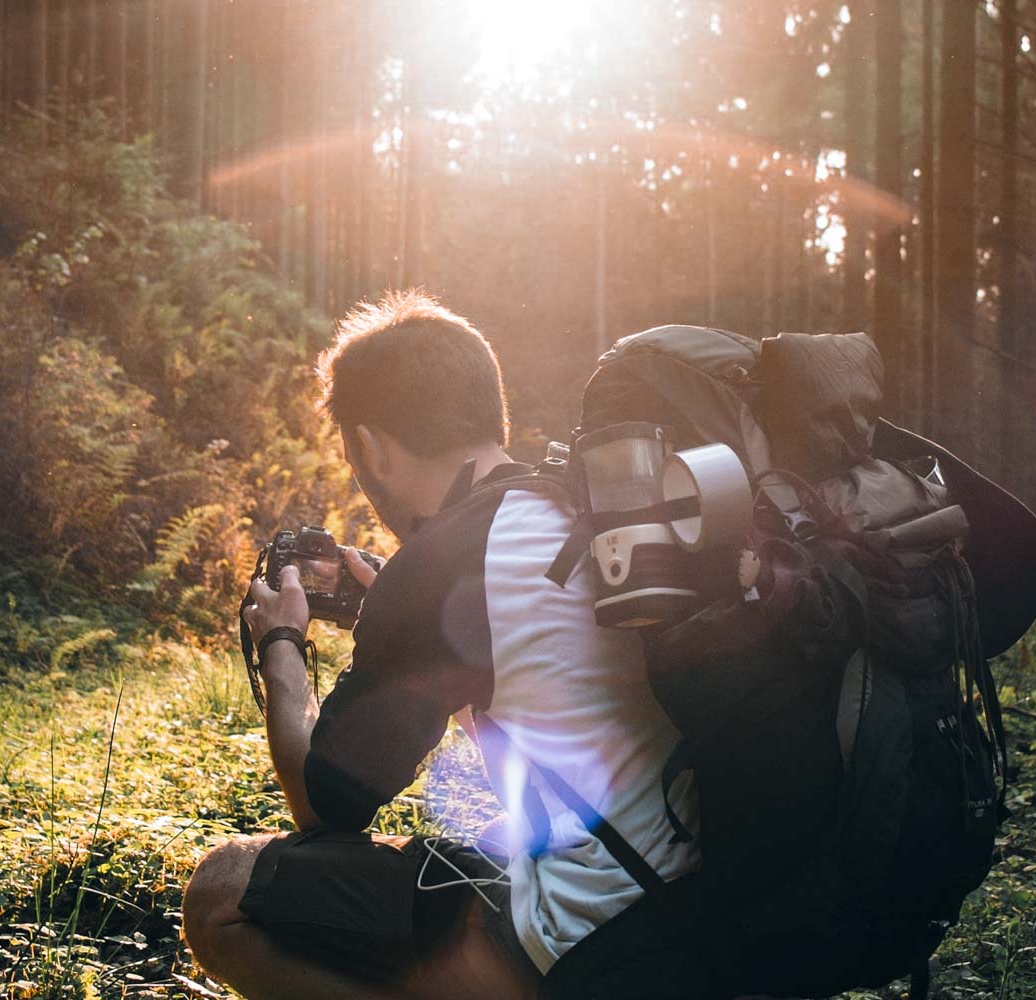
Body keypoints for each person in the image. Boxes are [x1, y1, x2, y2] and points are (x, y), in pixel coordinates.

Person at [180, 290, 699, 999]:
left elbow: (324, 805)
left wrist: (280, 642)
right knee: (489, 830)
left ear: (370, 447)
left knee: (222, 893)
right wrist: (391, 607)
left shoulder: (441, 560)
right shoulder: (575, 504)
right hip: (698, 902)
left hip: (592, 938)